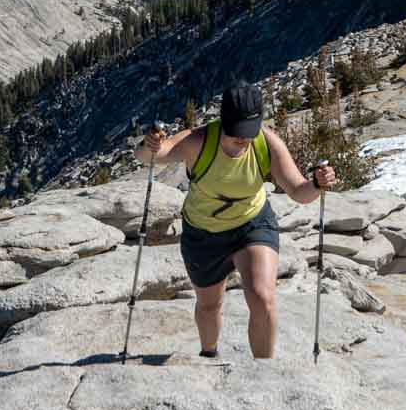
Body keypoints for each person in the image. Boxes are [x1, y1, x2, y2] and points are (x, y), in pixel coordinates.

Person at [136, 82, 336, 359]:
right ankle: (209, 354)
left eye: (249, 133)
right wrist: (150, 145)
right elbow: (151, 156)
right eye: (236, 134)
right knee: (209, 305)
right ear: (223, 123)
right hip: (203, 233)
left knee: (262, 299)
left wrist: (316, 183)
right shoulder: (198, 140)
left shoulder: (267, 143)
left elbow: (299, 191)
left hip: (252, 224)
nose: (243, 140)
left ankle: (263, 372)